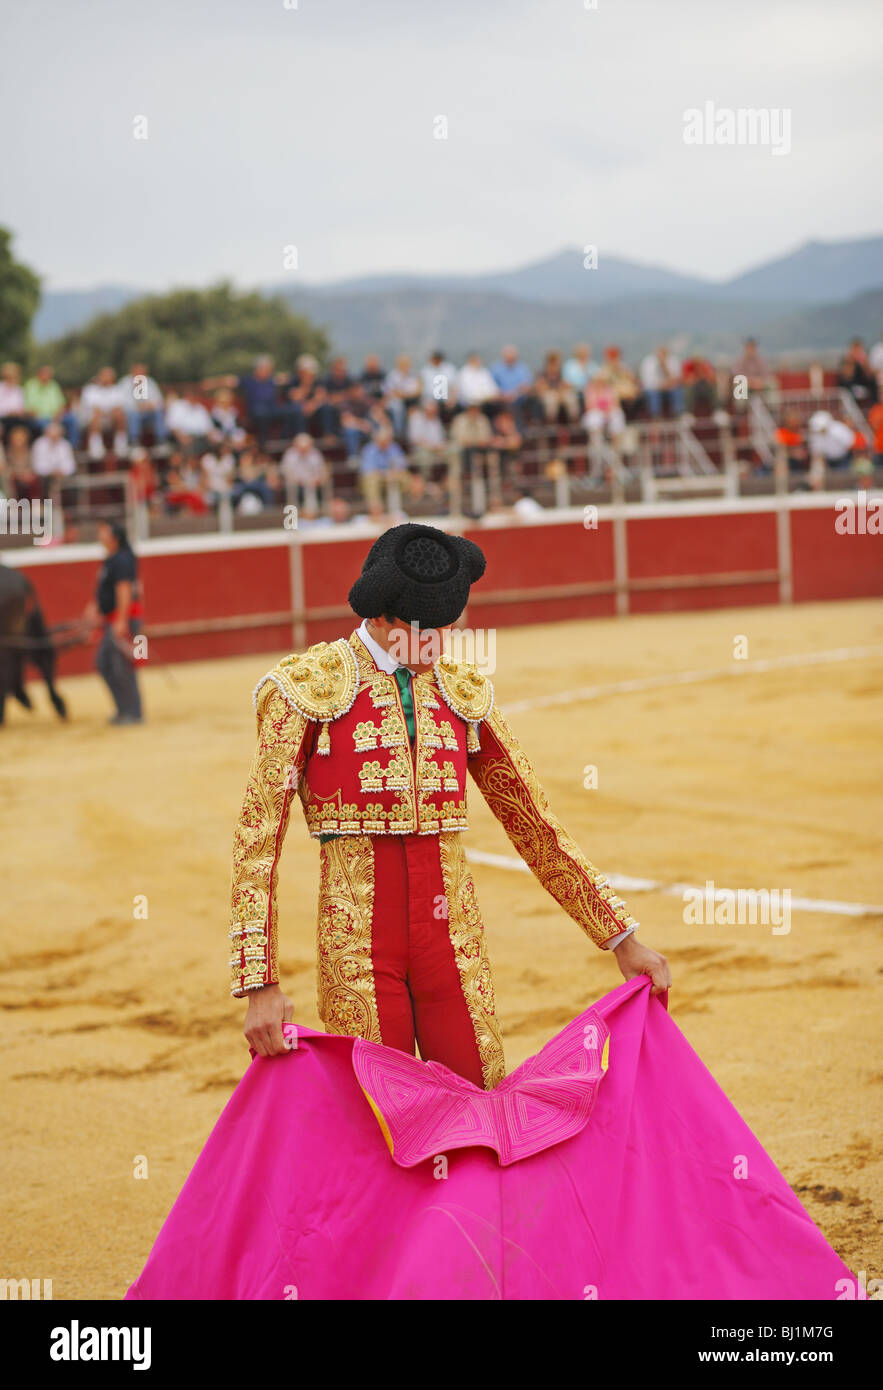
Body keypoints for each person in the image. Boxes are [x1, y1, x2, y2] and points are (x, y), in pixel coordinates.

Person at [126, 523, 854, 1301]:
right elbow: (255, 839)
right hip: (355, 940)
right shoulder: (303, 688)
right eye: (428, 632)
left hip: (450, 943)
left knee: (481, 1127)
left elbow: (531, 820)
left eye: (448, 630)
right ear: (383, 622)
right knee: (372, 1135)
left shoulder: (459, 693)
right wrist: (257, 981)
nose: (442, 647)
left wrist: (620, 935)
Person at [84, 520, 144, 725]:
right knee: (106, 664)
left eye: (104, 531)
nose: (100, 535)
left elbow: (124, 589)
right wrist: (95, 609)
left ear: (114, 537)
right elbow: (106, 591)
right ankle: (124, 709)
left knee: (121, 666)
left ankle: (133, 713)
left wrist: (121, 620)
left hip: (123, 620)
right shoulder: (112, 560)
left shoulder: (122, 559)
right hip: (114, 620)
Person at [117, 363, 168, 443]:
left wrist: (150, 406)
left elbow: (159, 401)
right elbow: (121, 401)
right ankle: (135, 442)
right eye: (138, 371)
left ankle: (161, 441)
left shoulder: (151, 382)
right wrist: (137, 407)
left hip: (148, 413)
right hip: (130, 413)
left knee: (158, 413)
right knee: (134, 415)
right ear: (133, 372)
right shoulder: (124, 383)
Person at [639, 346, 684, 417]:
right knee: (653, 394)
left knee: (677, 391)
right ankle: (655, 416)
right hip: (653, 389)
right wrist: (660, 385)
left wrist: (665, 368)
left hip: (669, 388)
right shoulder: (648, 362)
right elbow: (647, 382)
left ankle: (678, 414)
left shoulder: (673, 361)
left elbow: (676, 379)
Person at [23, 365, 66, 432]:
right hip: (38, 418)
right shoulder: (30, 385)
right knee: (46, 424)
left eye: (48, 375)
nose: (46, 376)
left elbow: (61, 404)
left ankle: (73, 442)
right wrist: (36, 415)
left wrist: (58, 415)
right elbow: (28, 407)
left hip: (55, 416)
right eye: (44, 374)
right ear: (38, 374)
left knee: (72, 419)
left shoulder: (54, 385)